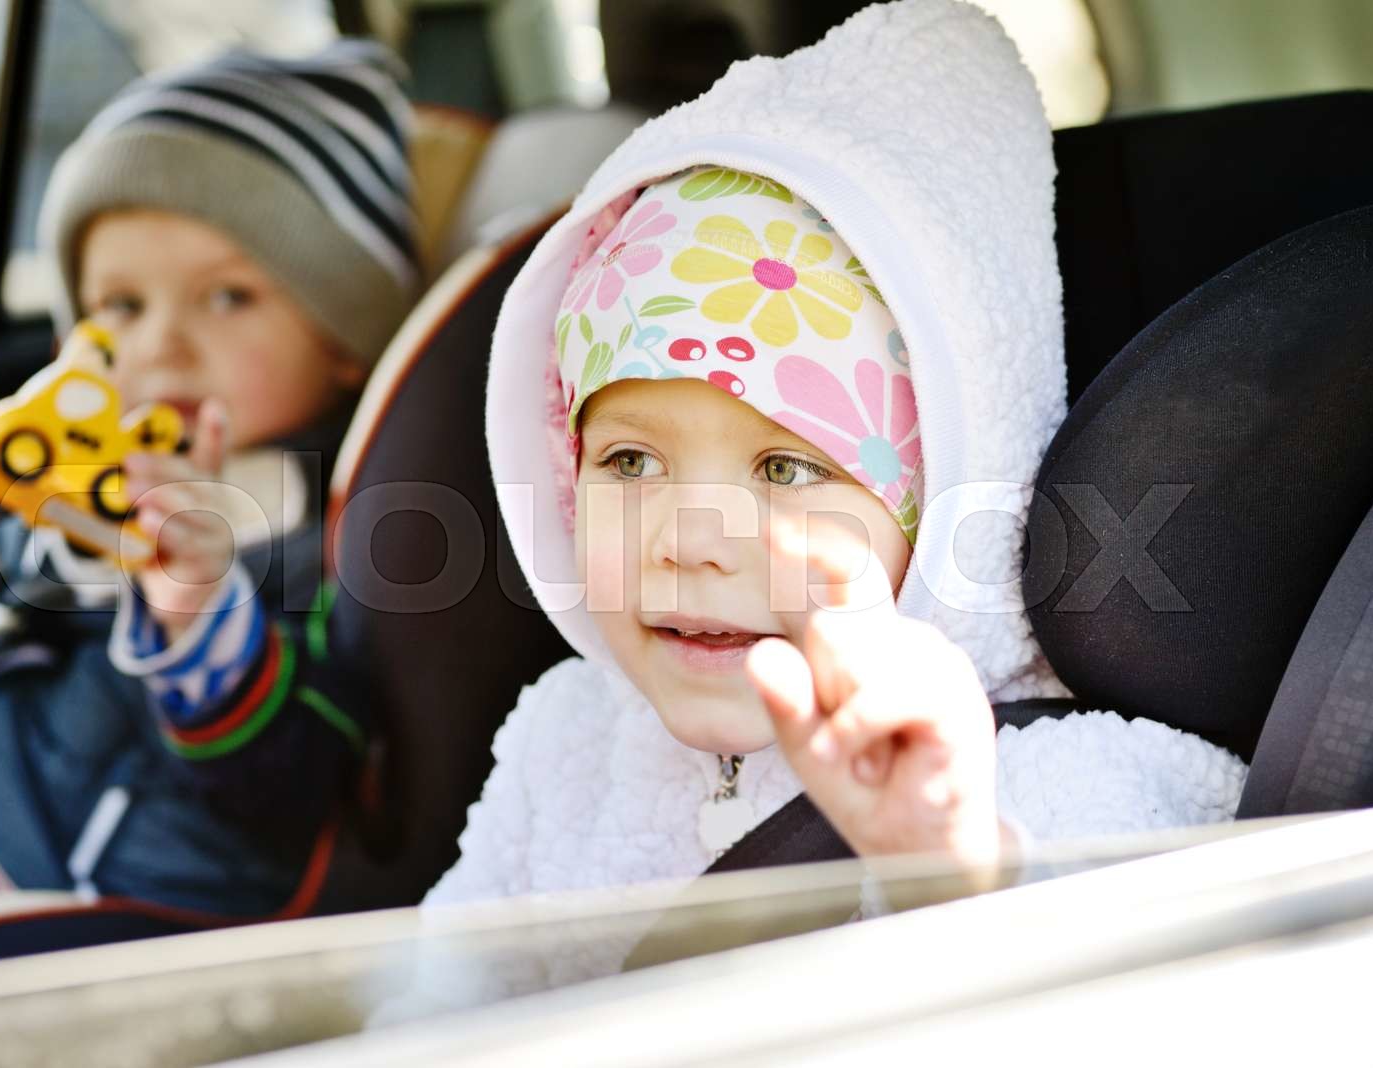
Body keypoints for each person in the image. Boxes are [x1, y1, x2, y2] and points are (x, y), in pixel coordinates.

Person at [372, 0, 1245, 1021]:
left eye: (785, 471)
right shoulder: (561, 748)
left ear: (956, 501)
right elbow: (423, 1020)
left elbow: (1160, 1024)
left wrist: (951, 876)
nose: (686, 538)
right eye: (629, 459)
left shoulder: (1070, 783)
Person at [0, 40, 420, 935]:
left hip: (35, 928)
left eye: (227, 299)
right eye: (123, 307)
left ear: (342, 339)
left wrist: (201, 618)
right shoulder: (78, 483)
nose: (161, 345)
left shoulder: (335, 537)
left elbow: (291, 790)